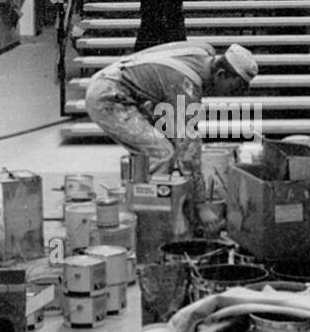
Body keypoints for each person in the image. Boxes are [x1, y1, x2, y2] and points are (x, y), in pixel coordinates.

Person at [84, 41, 259, 232]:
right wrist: (202, 206)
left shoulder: (205, 53)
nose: (227, 96)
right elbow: (188, 151)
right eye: (231, 89)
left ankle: (141, 204)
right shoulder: (186, 85)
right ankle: (148, 227)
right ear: (221, 74)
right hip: (109, 95)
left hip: (124, 88)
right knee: (161, 153)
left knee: (162, 148)